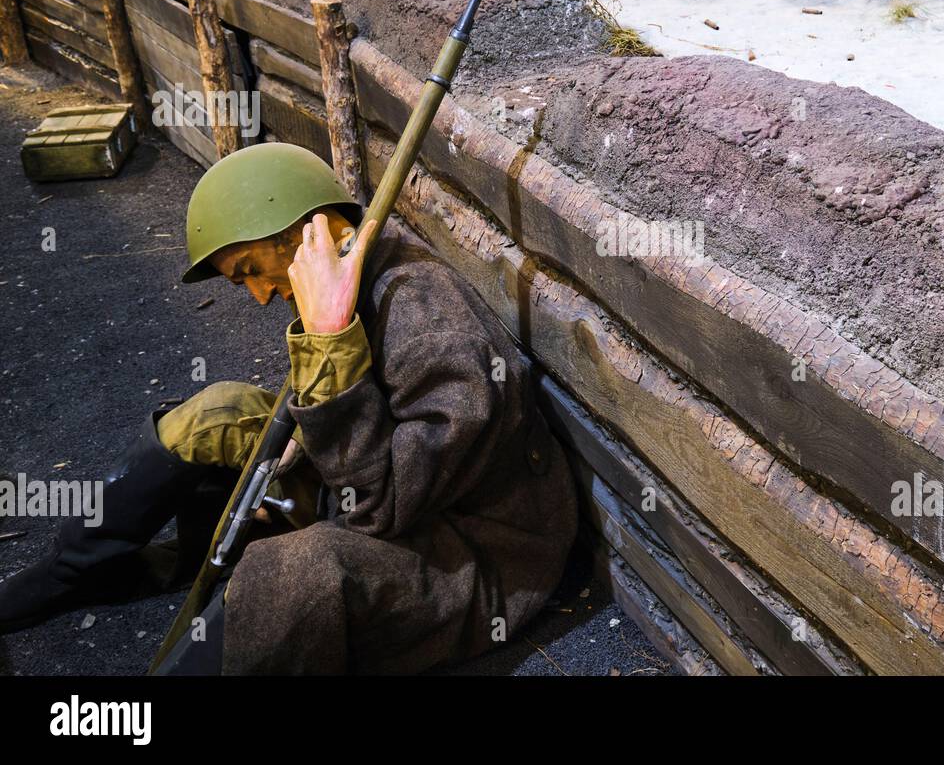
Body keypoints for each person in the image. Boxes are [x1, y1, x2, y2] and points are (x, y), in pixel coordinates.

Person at [0, 143, 578, 675]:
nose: (258, 295)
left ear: (302, 230)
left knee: (293, 574)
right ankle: (73, 573)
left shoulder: (426, 319)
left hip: (476, 560)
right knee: (217, 413)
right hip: (378, 483)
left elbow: (379, 510)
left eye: (251, 269)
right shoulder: (353, 271)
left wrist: (328, 342)